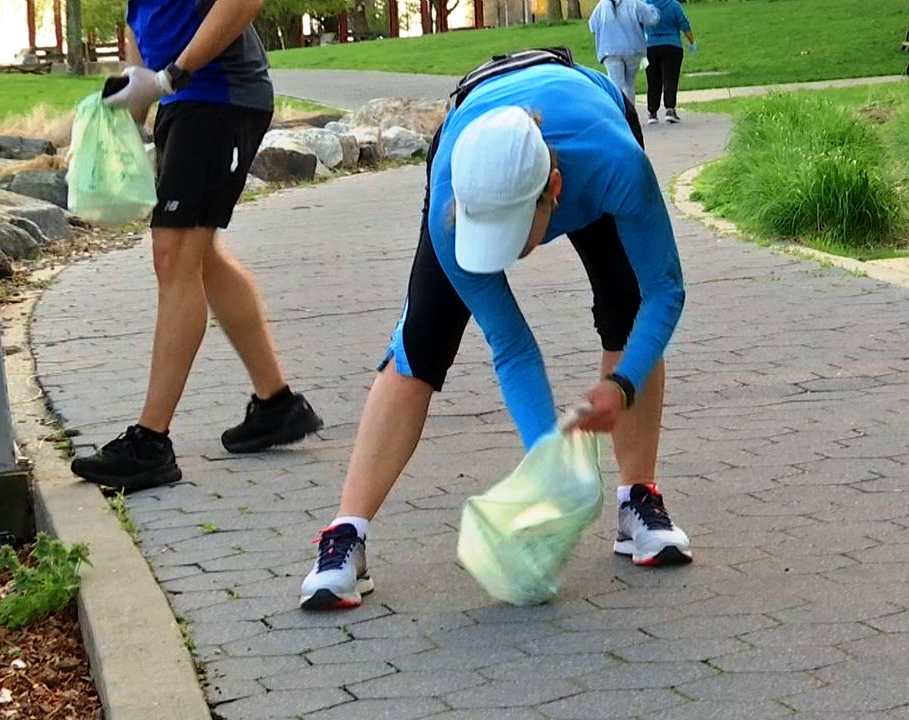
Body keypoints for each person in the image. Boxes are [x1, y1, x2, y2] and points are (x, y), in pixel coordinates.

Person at [299, 51, 691, 610]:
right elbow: (512, 346)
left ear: (553, 188)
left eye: (514, 231)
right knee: (422, 341)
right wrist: (547, 469)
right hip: (473, 117)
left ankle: (638, 501)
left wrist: (622, 384)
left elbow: (666, 290)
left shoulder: (615, 167)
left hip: (590, 113)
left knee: (627, 308)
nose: (504, 252)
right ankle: (346, 536)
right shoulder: (451, 205)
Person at [69, 0, 323, 491]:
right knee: (198, 258)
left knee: (175, 255)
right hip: (187, 102)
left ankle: (151, 442)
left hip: (218, 96)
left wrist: (170, 77)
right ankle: (277, 405)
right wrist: (133, 103)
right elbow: (141, 19)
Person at [588, 0, 660, 103]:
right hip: (632, 49)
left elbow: (592, 26)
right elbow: (653, 19)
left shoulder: (602, 5)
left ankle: (616, 110)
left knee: (615, 84)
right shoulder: (634, 3)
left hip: (609, 50)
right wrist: (653, 7)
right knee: (629, 83)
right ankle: (629, 112)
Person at [644, 0, 695, 124]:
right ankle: (670, 109)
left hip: (650, 46)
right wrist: (691, 41)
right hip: (672, 45)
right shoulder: (673, 5)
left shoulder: (644, 6)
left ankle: (652, 112)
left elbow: (638, 25)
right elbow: (684, 23)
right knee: (670, 78)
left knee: (653, 80)